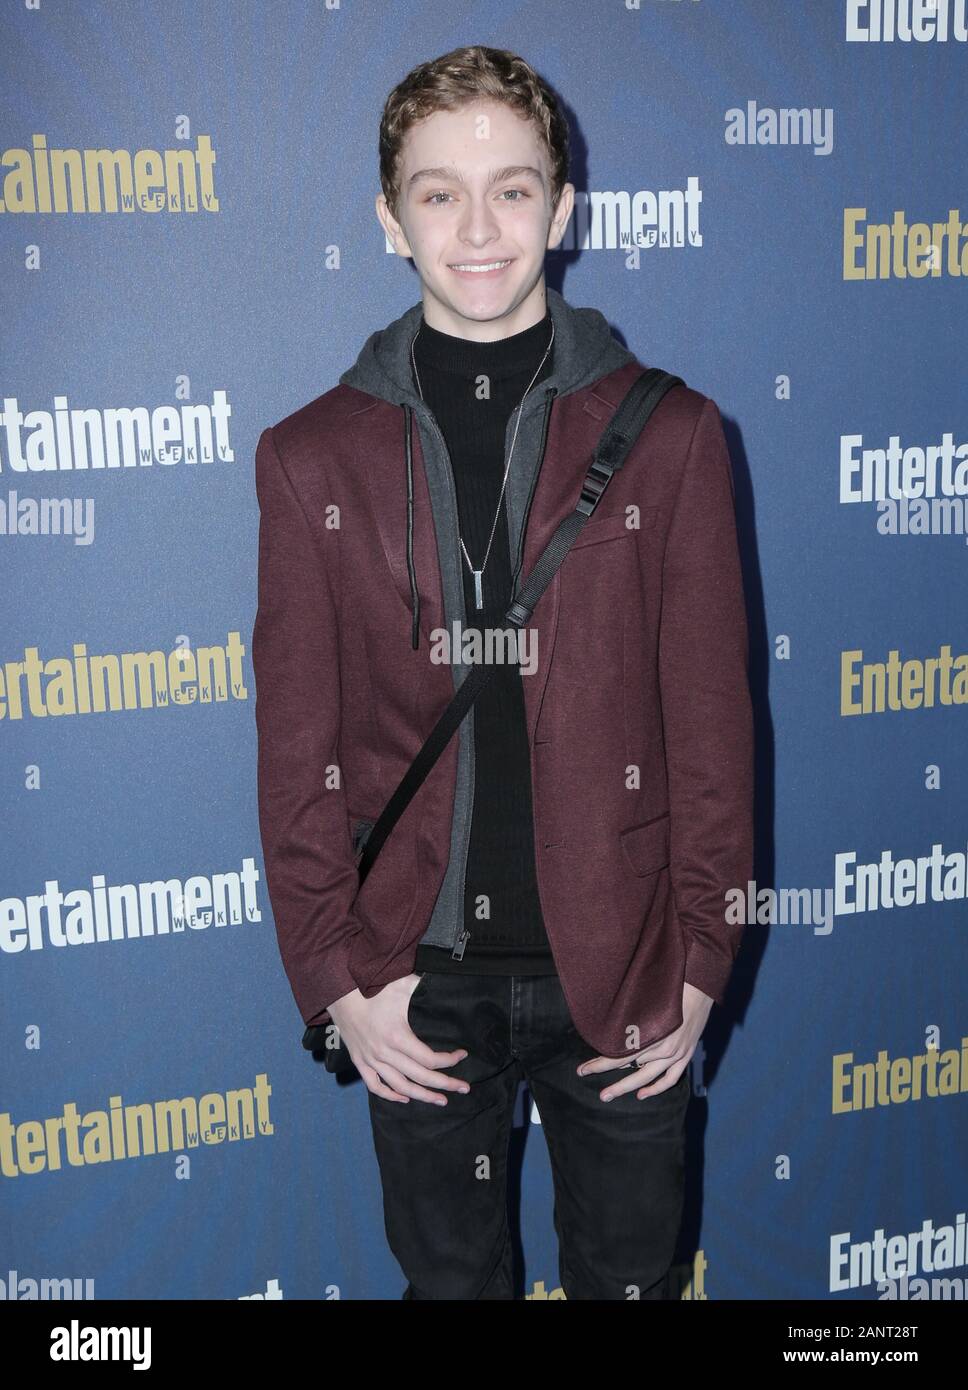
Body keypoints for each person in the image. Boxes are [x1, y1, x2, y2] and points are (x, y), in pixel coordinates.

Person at [252, 44, 754, 1300]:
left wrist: (700, 968)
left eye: (512, 189)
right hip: (414, 987)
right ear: (388, 219)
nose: (477, 228)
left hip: (624, 975)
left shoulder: (675, 437)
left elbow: (711, 733)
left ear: (562, 208)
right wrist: (334, 985)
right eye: (437, 193)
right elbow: (294, 749)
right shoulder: (306, 457)